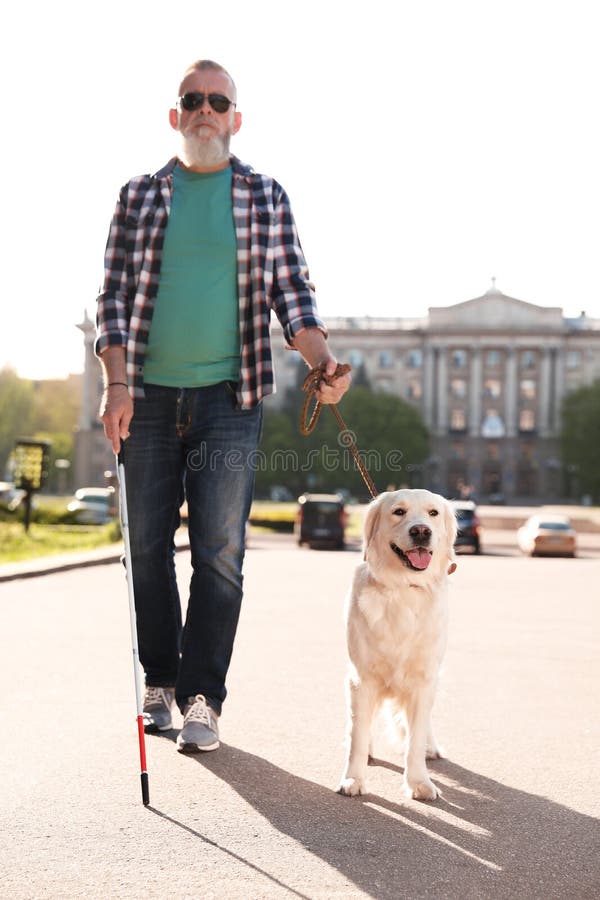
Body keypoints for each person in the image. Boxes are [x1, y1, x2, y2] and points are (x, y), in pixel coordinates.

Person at [96, 59, 351, 754]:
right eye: (192, 100)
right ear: (175, 115)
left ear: (235, 118)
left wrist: (321, 361)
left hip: (228, 401)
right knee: (146, 549)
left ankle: (203, 696)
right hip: (144, 398)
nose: (205, 110)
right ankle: (159, 681)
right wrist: (115, 385)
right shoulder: (139, 196)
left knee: (220, 553)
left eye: (218, 100)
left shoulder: (265, 196)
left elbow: (292, 294)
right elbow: (112, 300)